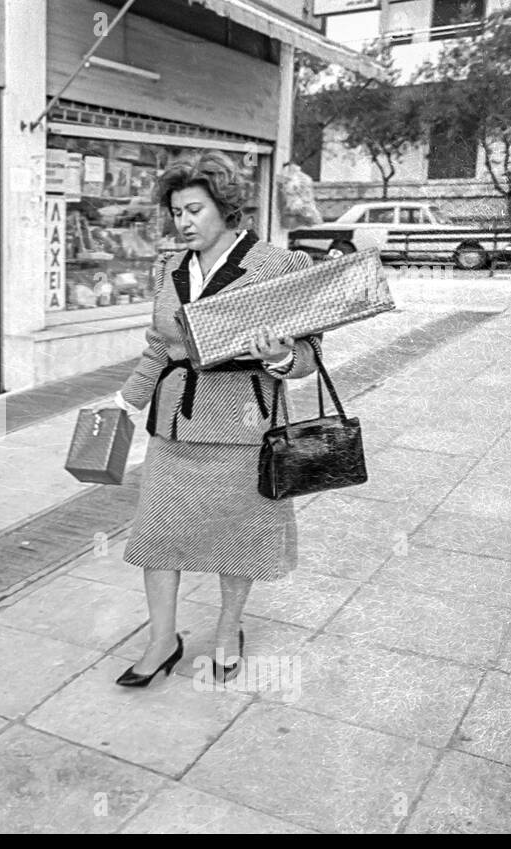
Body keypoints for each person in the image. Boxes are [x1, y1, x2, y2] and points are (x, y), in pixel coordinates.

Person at [96, 150, 321, 688]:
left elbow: (309, 355)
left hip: (244, 426)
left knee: (237, 539)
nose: (184, 222)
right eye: (177, 212)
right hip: (175, 425)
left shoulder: (278, 266)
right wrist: (126, 402)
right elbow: (159, 347)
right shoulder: (169, 268)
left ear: (226, 208)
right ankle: (162, 639)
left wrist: (279, 356)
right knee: (157, 535)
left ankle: (227, 630)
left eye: (194, 209)